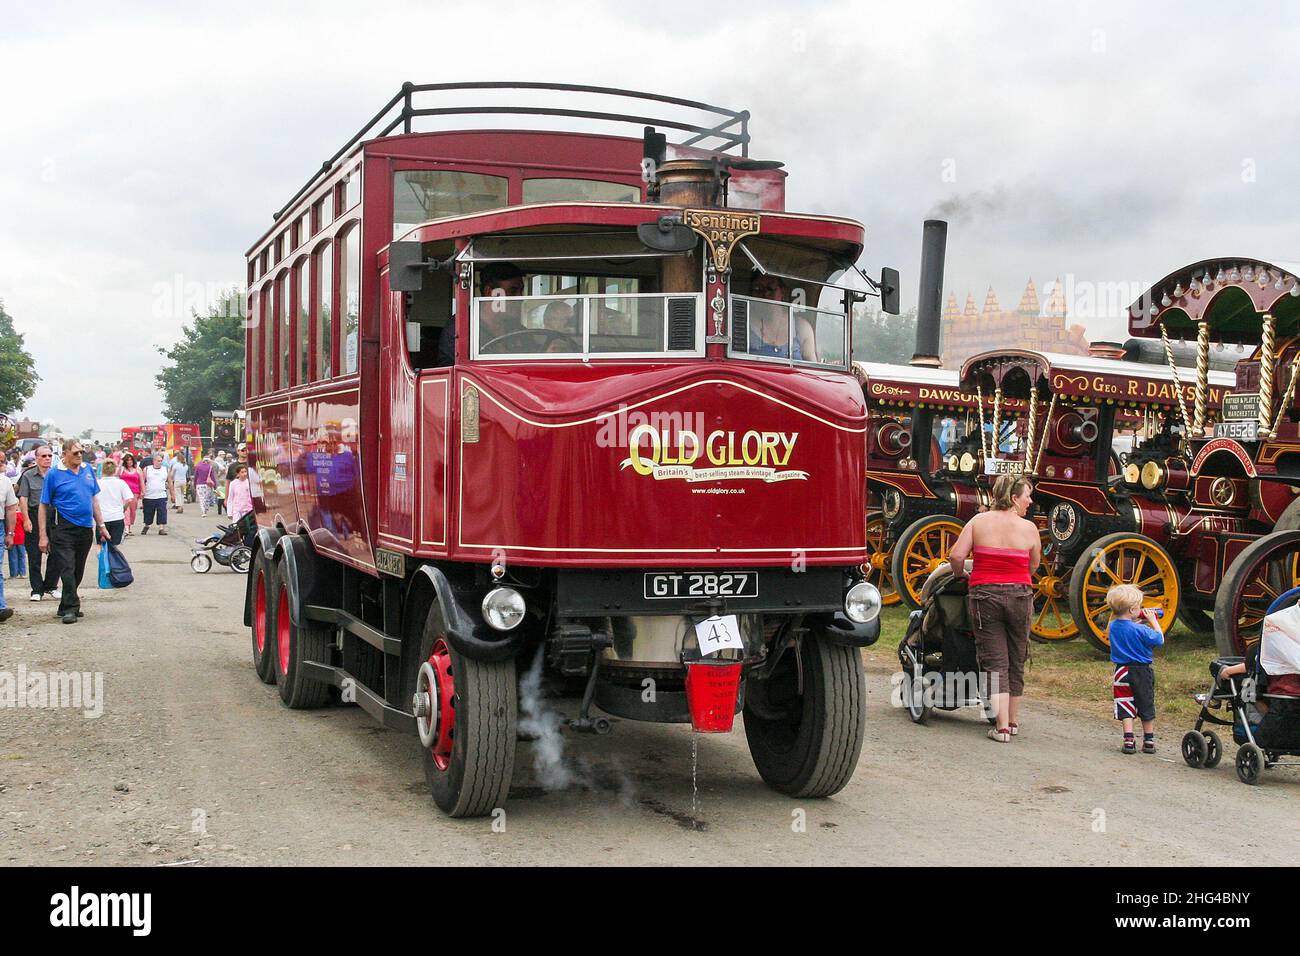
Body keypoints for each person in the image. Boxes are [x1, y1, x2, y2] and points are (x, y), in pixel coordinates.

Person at [947, 474, 1040, 742]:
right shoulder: (1029, 529)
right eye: (1027, 496)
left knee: (995, 661)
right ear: (1014, 498)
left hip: (985, 595)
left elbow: (956, 556)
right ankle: (1013, 721)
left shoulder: (978, 522)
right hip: (1020, 595)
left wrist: (960, 573)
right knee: (1016, 657)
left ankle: (1000, 728)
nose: (1030, 501)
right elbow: (1033, 566)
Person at [38, 440, 109, 624]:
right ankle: (71, 608)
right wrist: (43, 535)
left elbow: (94, 500)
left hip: (85, 528)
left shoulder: (87, 470)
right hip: (63, 528)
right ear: (65, 453)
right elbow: (43, 505)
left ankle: (64, 605)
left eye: (81, 452)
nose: (79, 455)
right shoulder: (54, 474)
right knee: (67, 567)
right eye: (75, 452)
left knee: (77, 569)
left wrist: (101, 525)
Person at [1104, 584, 1164, 754]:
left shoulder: (1113, 626)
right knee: (1145, 703)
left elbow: (1127, 628)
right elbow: (1159, 640)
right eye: (1139, 607)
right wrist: (1153, 622)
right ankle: (1149, 740)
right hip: (1141, 671)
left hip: (1121, 671)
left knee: (1126, 702)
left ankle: (1129, 739)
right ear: (1132, 610)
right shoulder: (1142, 629)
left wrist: (1138, 621)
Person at [437, 263, 526, 365]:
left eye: (521, 290)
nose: (520, 297)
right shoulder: (460, 327)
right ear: (489, 292)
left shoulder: (515, 328)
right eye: (513, 291)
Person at [17, 445, 60, 601]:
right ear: (36, 458)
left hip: (54, 516)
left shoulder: (57, 475)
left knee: (56, 552)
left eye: (49, 455)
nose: (47, 458)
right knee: (34, 555)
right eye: (43, 456)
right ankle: (36, 589)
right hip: (34, 515)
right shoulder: (28, 475)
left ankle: (51, 585)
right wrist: (26, 519)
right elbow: (23, 498)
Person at [95, 460, 134, 546]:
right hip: (117, 517)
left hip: (102, 518)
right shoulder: (121, 483)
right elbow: (129, 499)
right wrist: (124, 508)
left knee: (100, 545)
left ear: (102, 470)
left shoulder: (97, 483)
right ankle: (113, 558)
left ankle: (102, 559)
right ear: (114, 470)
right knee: (115, 545)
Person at [141, 452, 170, 535]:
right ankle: (147, 525)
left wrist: (173, 493)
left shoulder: (165, 469)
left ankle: (161, 528)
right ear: (153, 461)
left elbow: (170, 482)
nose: (160, 462)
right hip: (149, 495)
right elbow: (142, 481)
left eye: (161, 461)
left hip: (161, 495)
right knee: (148, 513)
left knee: (162, 512)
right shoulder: (147, 469)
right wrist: (142, 491)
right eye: (158, 461)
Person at [118, 453, 142, 534]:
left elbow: (141, 481)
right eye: (127, 460)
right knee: (126, 510)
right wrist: (120, 465)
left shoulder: (137, 469)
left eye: (130, 460)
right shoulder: (122, 469)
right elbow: (116, 475)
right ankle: (126, 527)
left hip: (134, 493)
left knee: (132, 511)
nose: (129, 461)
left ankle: (129, 525)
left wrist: (143, 491)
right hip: (123, 493)